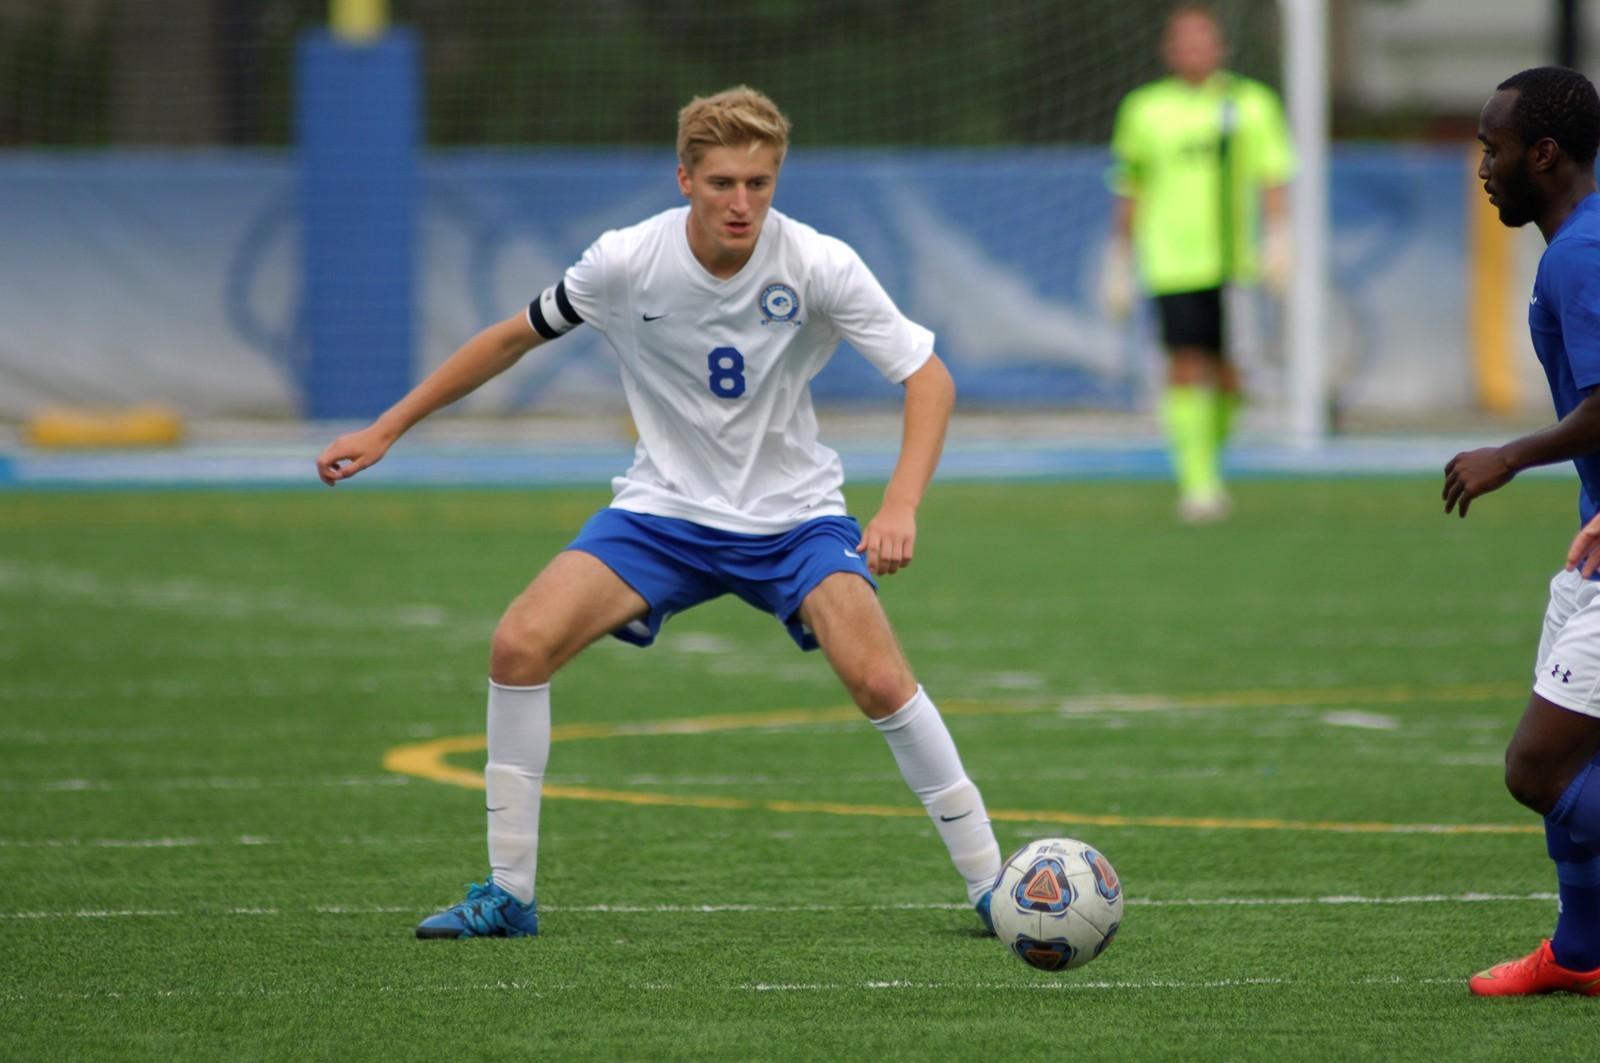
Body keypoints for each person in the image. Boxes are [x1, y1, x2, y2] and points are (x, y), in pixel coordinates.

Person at [315, 86, 1003, 939]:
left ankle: (993, 885)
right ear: (684, 178)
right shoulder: (624, 262)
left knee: (878, 678)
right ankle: (508, 893)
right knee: (518, 642)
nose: (741, 202)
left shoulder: (820, 262)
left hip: (793, 518)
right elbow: (510, 337)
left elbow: (928, 377)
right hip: (662, 514)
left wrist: (900, 505)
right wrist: (387, 427)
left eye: (759, 182)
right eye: (722, 182)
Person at [1443, 65, 1600, 997]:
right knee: (1569, 754)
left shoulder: (1579, 255)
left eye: (1492, 149)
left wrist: (1511, 453)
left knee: (1538, 766)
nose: (1485, 168)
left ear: (1542, 153)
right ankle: (1581, 954)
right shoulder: (1580, 245)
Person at [1102, 5, 1295, 522]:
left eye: (1201, 39)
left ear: (1219, 47)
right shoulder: (1143, 109)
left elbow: (1273, 176)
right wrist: (1118, 255)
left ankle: (1207, 463)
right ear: (1169, 49)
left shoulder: (1250, 103)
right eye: (1183, 40)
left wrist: (1280, 237)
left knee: (1232, 377)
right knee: (1184, 365)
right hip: (1170, 261)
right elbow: (1130, 185)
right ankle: (1198, 482)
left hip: (1235, 264)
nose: (1193, 49)